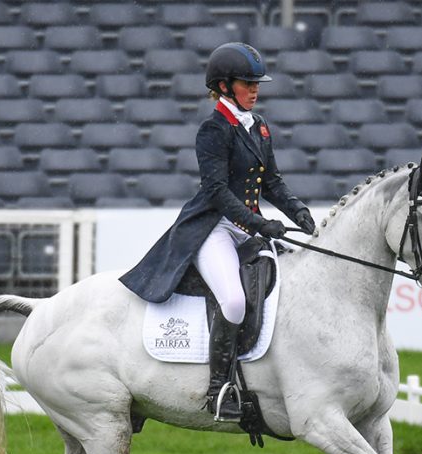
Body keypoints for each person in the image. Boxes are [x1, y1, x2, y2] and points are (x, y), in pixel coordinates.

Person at [120, 42, 316, 421]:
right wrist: (260, 224)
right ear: (224, 86)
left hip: (247, 229)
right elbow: (217, 192)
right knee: (234, 301)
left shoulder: (258, 126)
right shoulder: (214, 129)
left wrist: (299, 211)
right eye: (247, 83)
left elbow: (272, 182)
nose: (255, 90)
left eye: (256, 84)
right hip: (215, 229)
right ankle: (219, 390)